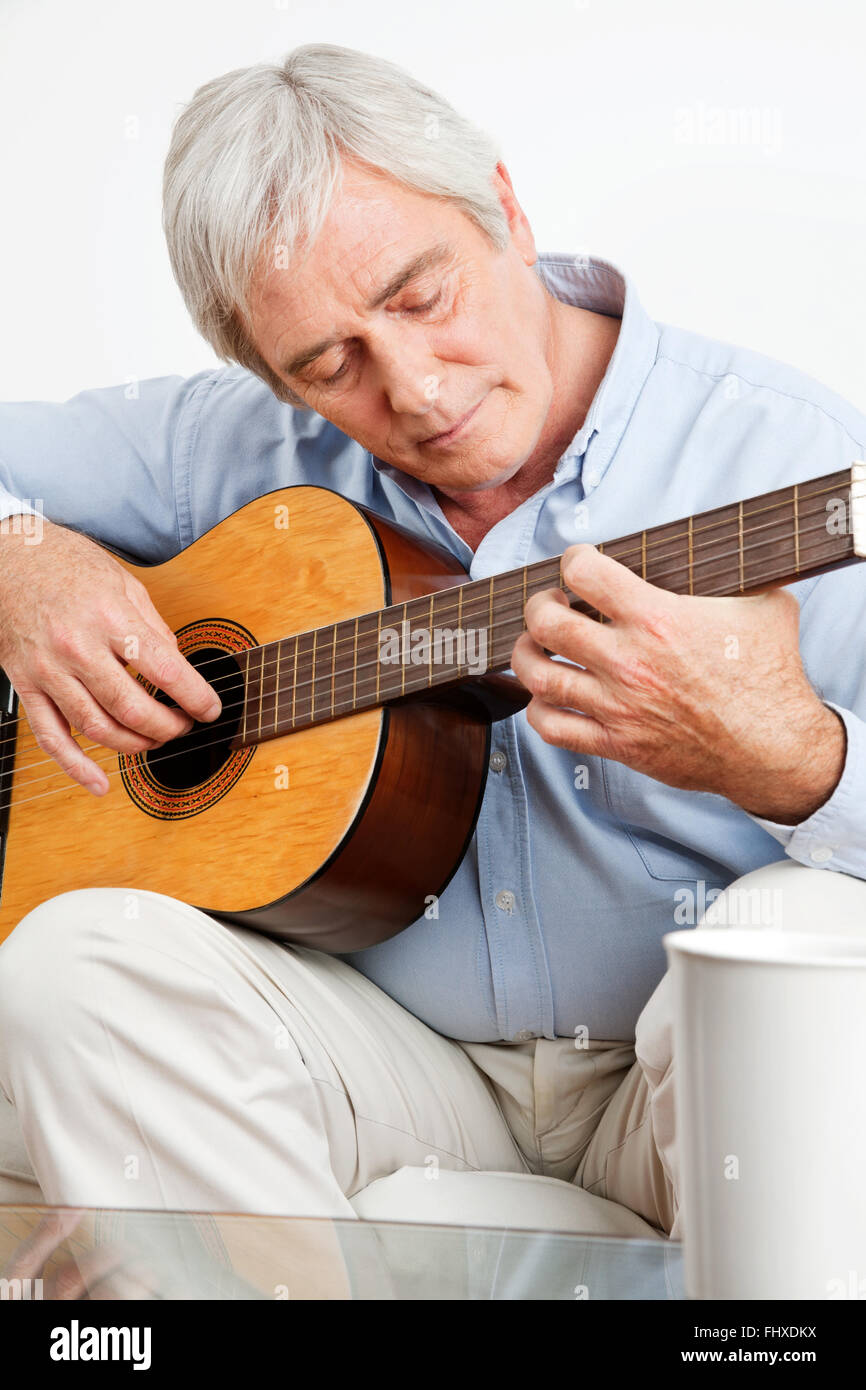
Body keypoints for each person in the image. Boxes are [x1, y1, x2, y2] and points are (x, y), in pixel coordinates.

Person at [1, 43, 866, 1257]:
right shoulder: (229, 451)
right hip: (395, 1067)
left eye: (421, 295)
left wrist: (797, 764)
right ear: (268, 373)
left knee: (804, 935)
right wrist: (24, 559)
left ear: (504, 209)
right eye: (326, 364)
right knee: (71, 959)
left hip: (684, 1093)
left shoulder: (784, 459)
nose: (410, 386)